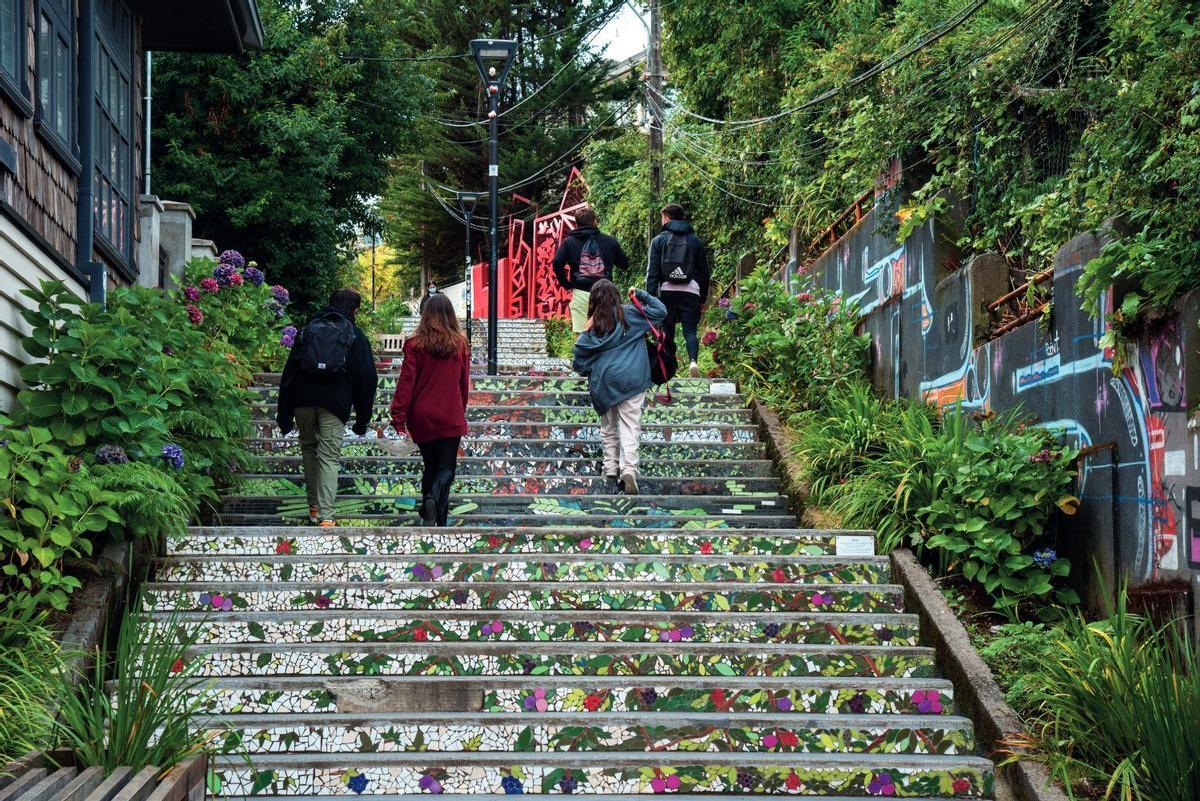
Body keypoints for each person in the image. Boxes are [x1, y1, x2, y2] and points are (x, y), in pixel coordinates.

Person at [277, 288, 379, 528]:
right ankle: (326, 517)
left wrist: (284, 413)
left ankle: (313, 506)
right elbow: (367, 378)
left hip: (302, 400)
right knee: (329, 456)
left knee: (309, 449)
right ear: (355, 310)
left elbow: (289, 372)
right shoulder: (355, 334)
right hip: (334, 403)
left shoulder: (308, 329)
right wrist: (362, 420)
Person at [572, 280, 667, 496]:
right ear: (616, 296)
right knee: (630, 424)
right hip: (633, 379)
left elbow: (578, 361)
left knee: (609, 427)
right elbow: (661, 311)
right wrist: (640, 294)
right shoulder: (631, 314)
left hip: (604, 382)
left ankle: (611, 467)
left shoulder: (593, 325)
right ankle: (629, 469)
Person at [390, 293, 471, 527]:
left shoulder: (415, 345)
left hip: (421, 416)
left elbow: (406, 383)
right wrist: (460, 410)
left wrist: (398, 416)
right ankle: (433, 502)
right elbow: (463, 384)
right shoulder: (460, 344)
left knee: (430, 466)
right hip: (450, 413)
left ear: (425, 315)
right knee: (446, 468)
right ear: (450, 315)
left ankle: (432, 512)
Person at [646, 203, 710, 378]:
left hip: (667, 292)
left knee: (667, 331)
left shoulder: (659, 240)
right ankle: (693, 362)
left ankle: (668, 370)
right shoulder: (695, 241)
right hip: (691, 292)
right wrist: (702, 298)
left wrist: (649, 301)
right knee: (690, 330)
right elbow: (705, 273)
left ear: (666, 218)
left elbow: (652, 274)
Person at [552, 206, 630, 336]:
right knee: (607, 332)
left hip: (581, 293)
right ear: (594, 221)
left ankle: (583, 356)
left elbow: (556, 263)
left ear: (577, 224)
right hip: (606, 294)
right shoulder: (610, 241)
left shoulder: (568, 243)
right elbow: (624, 264)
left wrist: (567, 284)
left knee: (582, 334)